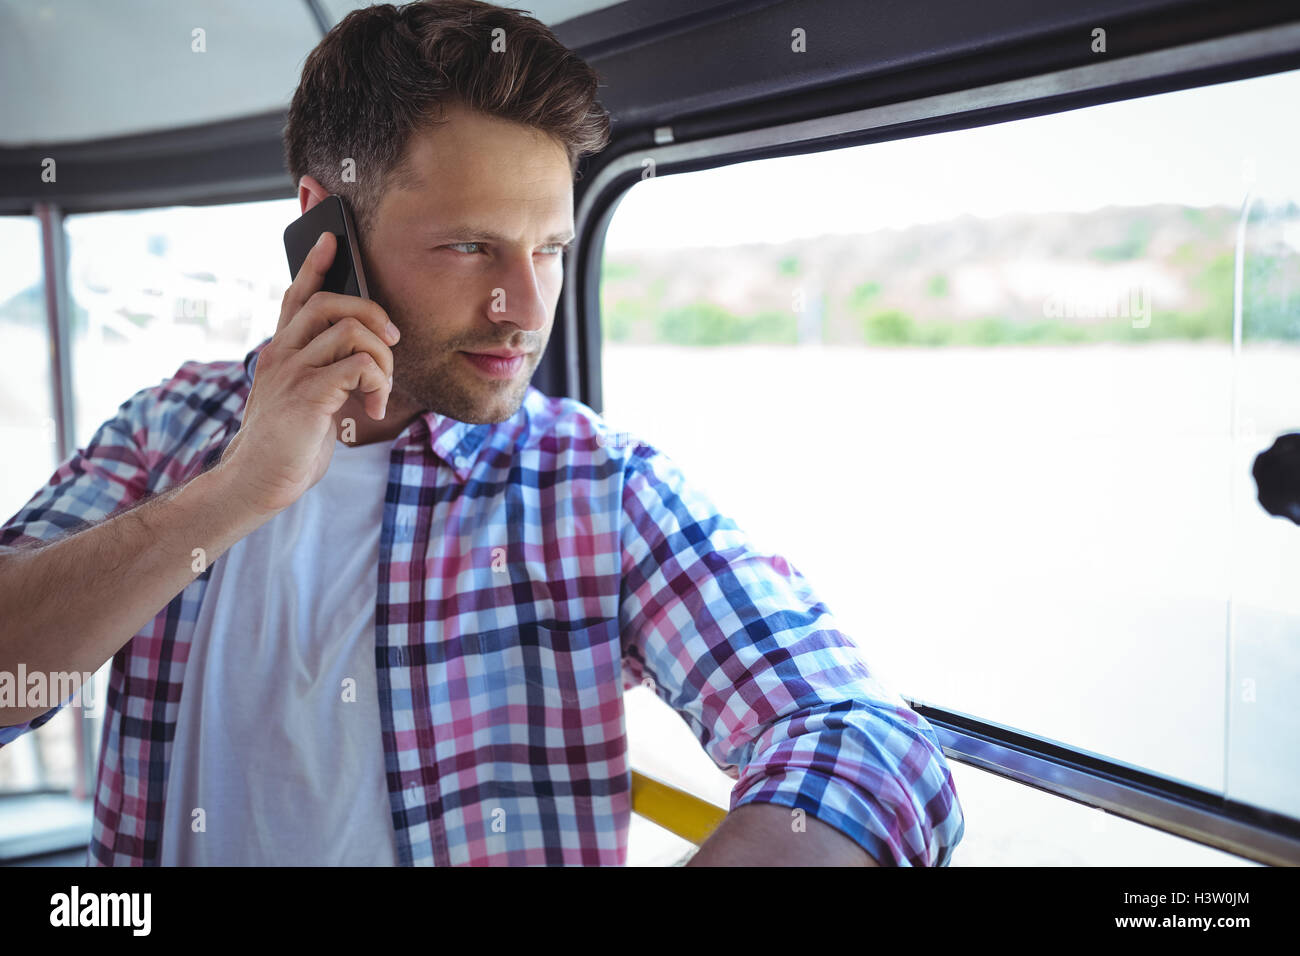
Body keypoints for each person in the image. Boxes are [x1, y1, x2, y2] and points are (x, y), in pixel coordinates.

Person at [0, 0, 964, 866]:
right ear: (323, 226)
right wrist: (237, 489)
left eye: (548, 248)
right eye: (470, 247)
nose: (522, 306)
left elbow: (866, 741)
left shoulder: (596, 487)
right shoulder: (169, 429)